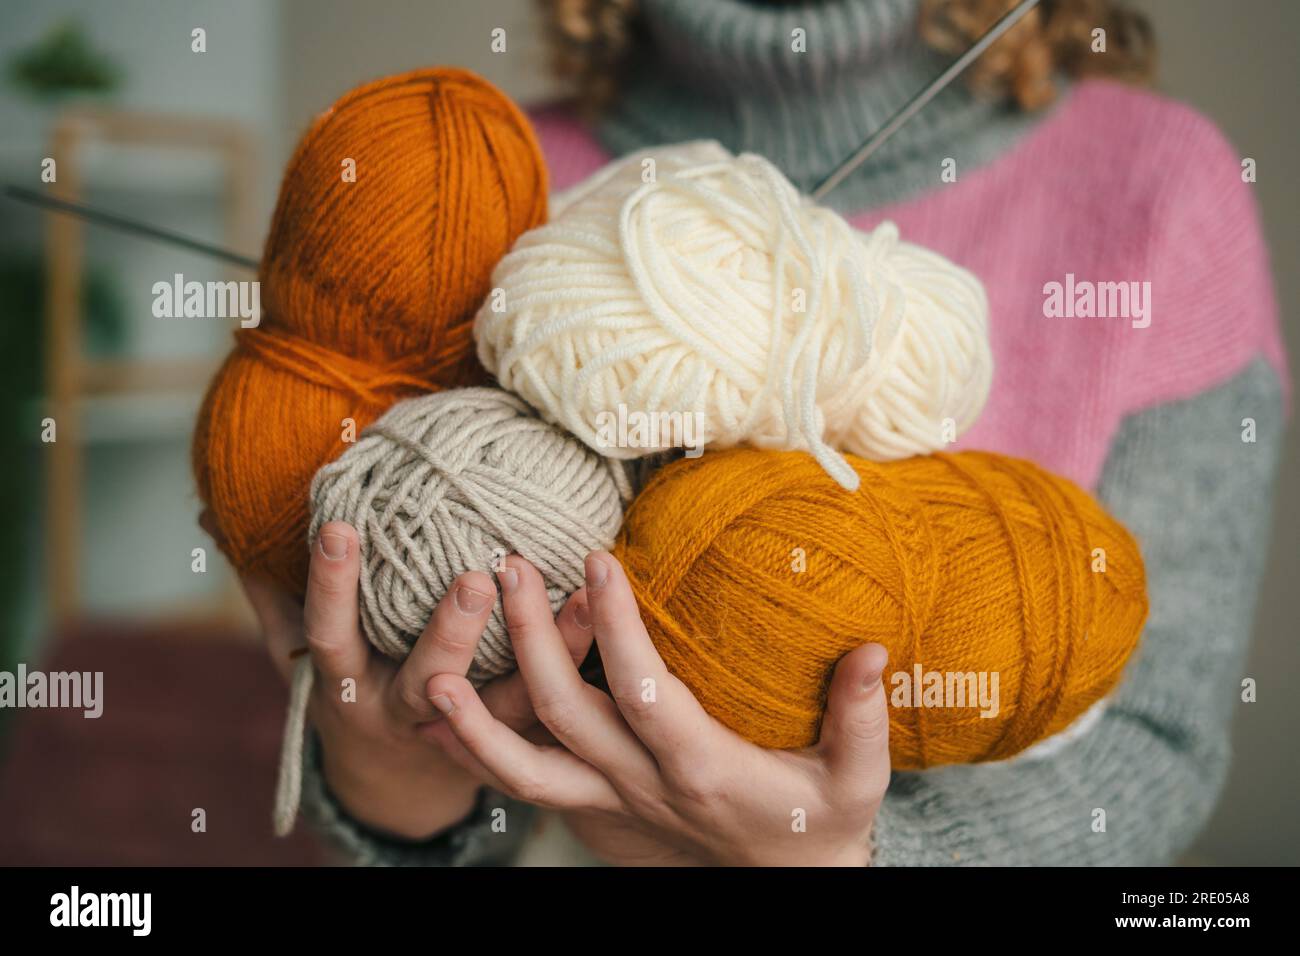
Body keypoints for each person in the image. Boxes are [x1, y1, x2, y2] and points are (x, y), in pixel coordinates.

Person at [237, 0, 1289, 865]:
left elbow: (1157, 741)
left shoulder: (1156, 182)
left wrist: (857, 858)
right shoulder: (490, 176)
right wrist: (392, 766)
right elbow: (479, 808)